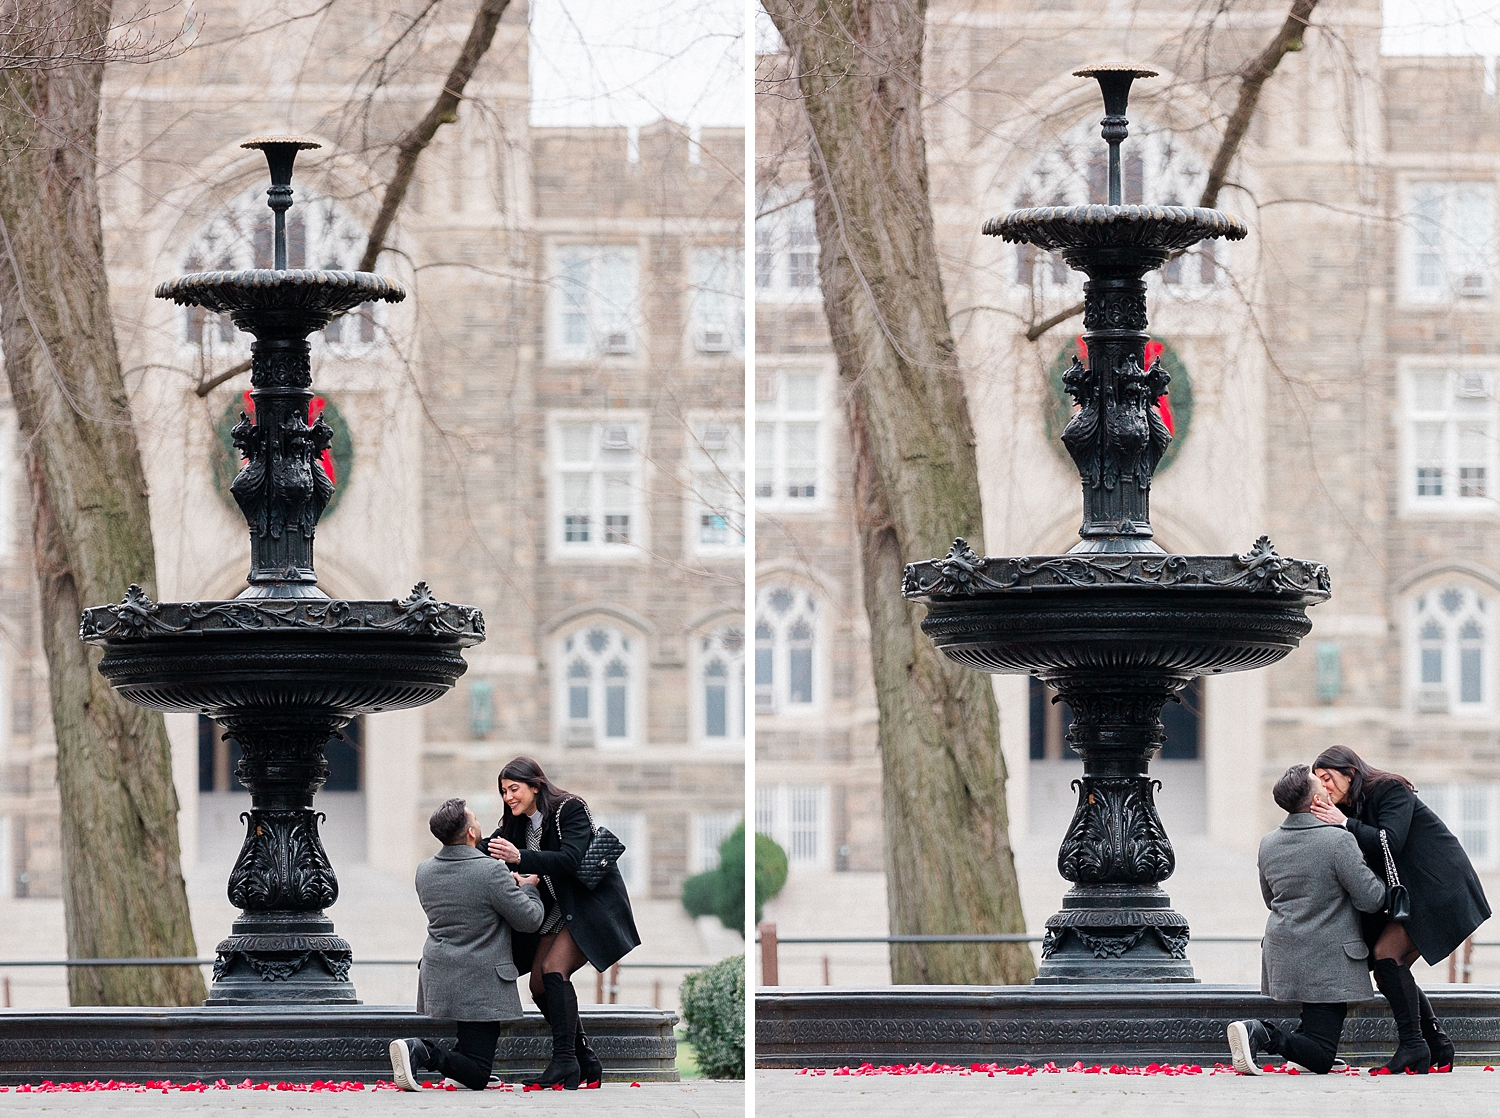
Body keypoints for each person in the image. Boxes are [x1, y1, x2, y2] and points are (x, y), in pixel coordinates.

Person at [1311, 745, 1490, 1074]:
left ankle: (1414, 1046)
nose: (1324, 787)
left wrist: (1343, 822)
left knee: (1386, 955)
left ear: (1350, 772)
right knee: (1387, 967)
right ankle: (1436, 1044)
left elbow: (1388, 841)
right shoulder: (1355, 810)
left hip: (1439, 886)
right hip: (1415, 892)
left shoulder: (1389, 789)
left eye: (1328, 778)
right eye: (1318, 782)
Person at [485, 757, 641, 1090]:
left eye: (514, 789)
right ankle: (584, 1059)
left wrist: (520, 859)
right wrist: (461, 843)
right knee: (539, 985)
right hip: (559, 909)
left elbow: (572, 859)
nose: (508, 797)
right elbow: (491, 846)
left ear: (535, 785)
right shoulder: (519, 823)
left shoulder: (569, 808)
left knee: (555, 971)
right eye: (503, 791)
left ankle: (564, 1061)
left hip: (588, 906)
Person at [1228, 764, 1389, 1076]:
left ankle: (1301, 1044)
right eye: (1321, 785)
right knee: (1321, 1057)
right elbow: (1371, 899)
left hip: (1283, 951)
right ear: (1315, 800)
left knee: (1315, 1039)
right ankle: (1260, 1033)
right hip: (1328, 958)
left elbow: (1270, 899)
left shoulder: (1269, 842)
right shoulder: (1337, 841)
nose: (1328, 789)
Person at [389, 797, 545, 1092]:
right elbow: (530, 921)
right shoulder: (490, 871)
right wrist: (529, 890)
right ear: (471, 832)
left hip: (440, 972)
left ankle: (455, 1064)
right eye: (474, 818)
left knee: (472, 1058)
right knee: (477, 1074)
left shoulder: (424, 870)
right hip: (481, 979)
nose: (478, 822)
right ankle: (421, 1051)